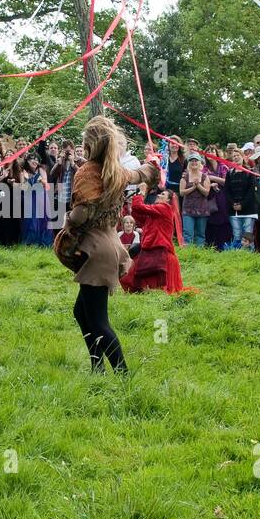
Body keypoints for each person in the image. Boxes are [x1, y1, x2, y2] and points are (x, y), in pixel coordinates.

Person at [53, 116, 161, 373]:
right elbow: (140, 174)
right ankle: (97, 367)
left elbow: (82, 213)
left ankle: (123, 376)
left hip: (95, 249)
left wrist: (69, 222)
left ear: (89, 144)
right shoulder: (115, 170)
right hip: (110, 243)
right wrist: (153, 167)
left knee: (99, 321)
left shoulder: (88, 171)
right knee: (82, 312)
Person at [120, 184, 185, 294]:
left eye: (163, 194)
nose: (159, 195)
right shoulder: (156, 212)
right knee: (133, 276)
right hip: (151, 248)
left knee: (140, 278)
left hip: (158, 249)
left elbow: (139, 207)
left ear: (168, 200)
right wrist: (134, 201)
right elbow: (139, 217)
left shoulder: (164, 208)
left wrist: (141, 193)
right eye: (160, 193)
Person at [224, 147, 257, 250]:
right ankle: (237, 254)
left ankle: (250, 254)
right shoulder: (229, 173)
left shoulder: (250, 172)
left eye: (238, 155)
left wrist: (242, 204)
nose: (236, 157)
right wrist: (233, 204)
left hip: (248, 209)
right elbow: (227, 190)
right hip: (233, 210)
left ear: (243, 157)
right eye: (234, 156)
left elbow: (251, 191)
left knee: (248, 233)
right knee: (237, 233)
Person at [179, 152, 215, 247]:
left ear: (200, 163)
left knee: (200, 234)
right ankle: (188, 253)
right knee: (187, 233)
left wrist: (198, 185)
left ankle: (199, 253)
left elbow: (206, 192)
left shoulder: (204, 176)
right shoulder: (185, 176)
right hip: (188, 209)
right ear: (189, 163)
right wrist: (193, 188)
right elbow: (181, 192)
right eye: (191, 161)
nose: (194, 162)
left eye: (196, 160)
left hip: (202, 209)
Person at [20, 153, 53, 247]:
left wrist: (38, 178)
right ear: (27, 161)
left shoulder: (41, 170)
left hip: (41, 196)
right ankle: (31, 242)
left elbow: (46, 185)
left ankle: (44, 243)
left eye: (37, 159)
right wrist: (26, 180)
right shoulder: (23, 172)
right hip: (30, 197)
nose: (35, 161)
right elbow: (23, 188)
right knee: (31, 219)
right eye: (32, 159)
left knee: (43, 219)